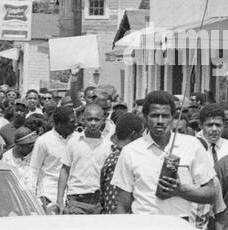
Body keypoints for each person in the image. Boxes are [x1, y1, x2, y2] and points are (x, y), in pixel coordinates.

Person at [112, 90, 215, 219]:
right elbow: (122, 205)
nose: (160, 121)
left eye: (165, 116)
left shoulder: (192, 145)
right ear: (145, 117)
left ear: (173, 117)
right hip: (144, 226)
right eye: (155, 115)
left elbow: (211, 193)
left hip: (180, 226)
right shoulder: (130, 151)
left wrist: (181, 191)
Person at [56, 103, 109, 215]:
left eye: (96, 119)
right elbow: (65, 170)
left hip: (99, 201)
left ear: (103, 120)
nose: (93, 123)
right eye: (89, 119)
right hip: (76, 200)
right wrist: (59, 200)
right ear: (83, 120)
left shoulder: (108, 145)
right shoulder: (73, 142)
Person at [28, 106, 77, 212]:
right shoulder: (43, 141)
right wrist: (31, 197)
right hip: (49, 196)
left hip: (73, 196)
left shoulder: (78, 139)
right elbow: (34, 169)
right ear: (59, 124)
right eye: (72, 122)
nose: (76, 124)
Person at [99, 113, 144, 215]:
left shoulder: (113, 156)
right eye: (141, 134)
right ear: (134, 135)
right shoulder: (119, 161)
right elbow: (114, 203)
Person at [3, 127, 39, 198]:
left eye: (33, 144)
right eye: (29, 145)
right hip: (14, 197)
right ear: (19, 146)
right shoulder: (6, 159)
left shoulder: (37, 155)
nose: (33, 147)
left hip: (34, 198)